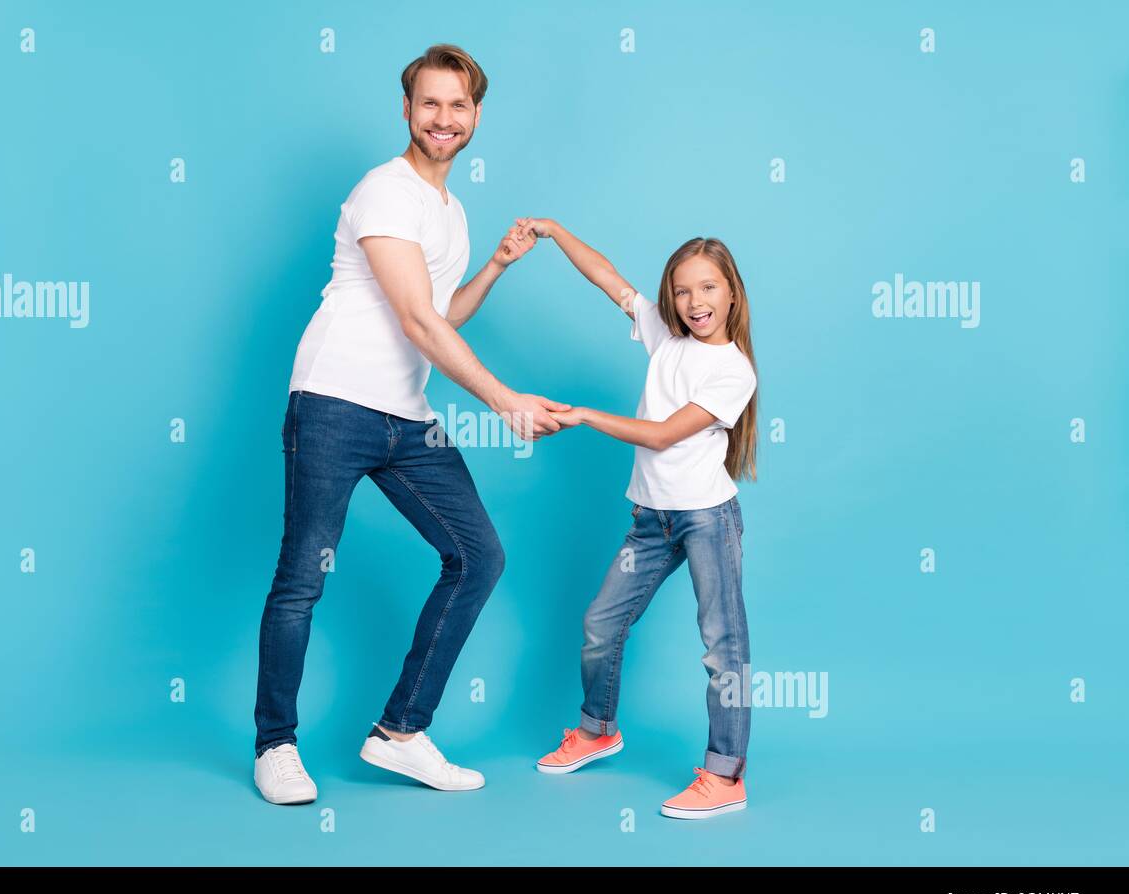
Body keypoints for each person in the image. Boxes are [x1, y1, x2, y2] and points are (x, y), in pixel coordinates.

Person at [253, 45, 568, 805]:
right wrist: (503, 399)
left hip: (405, 416)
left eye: (459, 106)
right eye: (430, 104)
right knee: (302, 578)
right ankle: (274, 746)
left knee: (478, 556)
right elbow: (419, 323)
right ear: (406, 109)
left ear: (476, 116)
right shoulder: (383, 192)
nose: (444, 119)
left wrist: (492, 265)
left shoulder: (451, 213)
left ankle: (399, 733)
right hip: (333, 401)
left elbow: (441, 315)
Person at [522, 219, 760, 820]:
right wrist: (554, 232)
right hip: (652, 520)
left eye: (707, 288)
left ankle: (726, 774)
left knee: (722, 647)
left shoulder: (734, 372)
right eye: (682, 291)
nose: (694, 302)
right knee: (601, 622)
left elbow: (659, 436)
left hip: (706, 518)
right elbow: (609, 279)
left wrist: (583, 416)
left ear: (731, 291)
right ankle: (598, 729)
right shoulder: (666, 336)